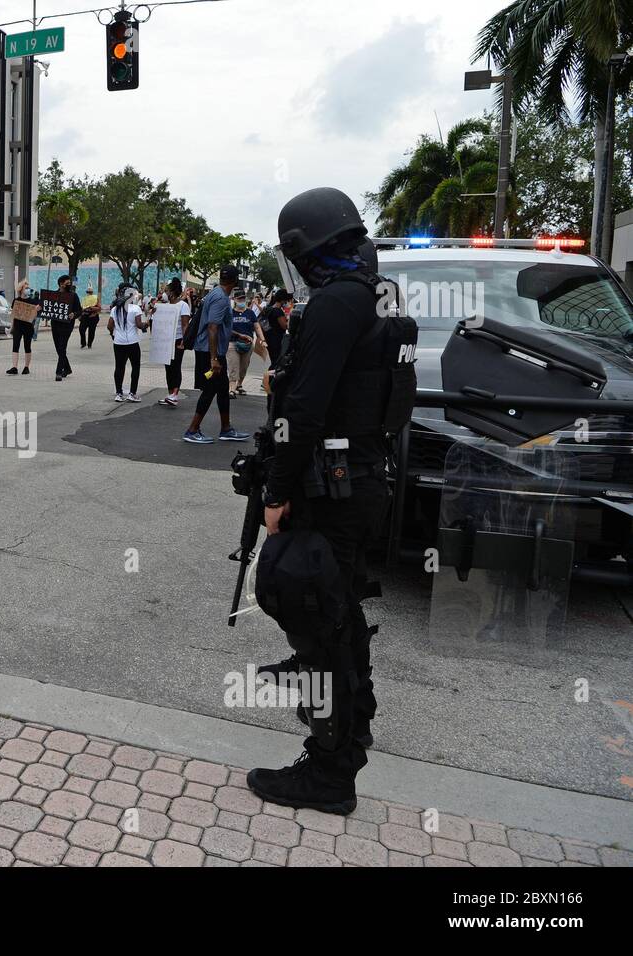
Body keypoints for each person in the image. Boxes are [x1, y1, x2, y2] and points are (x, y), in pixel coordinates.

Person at [246, 186, 416, 815]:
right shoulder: (378, 296)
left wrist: (277, 491)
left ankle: (330, 771)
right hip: (363, 478)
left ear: (307, 249)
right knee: (337, 613)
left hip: (331, 486)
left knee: (323, 620)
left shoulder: (332, 307)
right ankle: (337, 740)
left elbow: (305, 412)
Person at [182, 265, 249, 444]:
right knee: (210, 389)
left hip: (212, 350)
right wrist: (214, 359)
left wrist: (237, 334)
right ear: (235, 281)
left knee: (222, 389)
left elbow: (218, 324)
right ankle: (192, 430)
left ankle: (226, 428)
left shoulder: (215, 294)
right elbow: (212, 327)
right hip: (210, 352)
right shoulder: (221, 298)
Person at [155, 278, 191, 407]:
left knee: (175, 367)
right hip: (166, 340)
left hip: (177, 340)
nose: (165, 293)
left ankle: (175, 394)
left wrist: (183, 341)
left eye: (167, 291)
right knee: (168, 368)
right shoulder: (166, 305)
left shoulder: (183, 305)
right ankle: (170, 394)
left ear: (172, 292)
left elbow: (186, 325)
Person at [106, 286, 145, 401]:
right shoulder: (135, 308)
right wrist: (147, 323)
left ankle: (119, 393)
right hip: (132, 342)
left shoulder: (115, 309)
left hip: (118, 343)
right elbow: (139, 325)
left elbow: (109, 326)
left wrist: (113, 335)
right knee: (135, 367)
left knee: (119, 367)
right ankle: (132, 394)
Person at [227, 290, 263, 398]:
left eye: (243, 298)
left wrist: (263, 339)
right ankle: (231, 389)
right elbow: (227, 328)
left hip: (247, 344)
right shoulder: (230, 313)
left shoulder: (250, 313)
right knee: (233, 366)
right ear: (234, 300)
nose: (242, 301)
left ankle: (239, 385)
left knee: (244, 367)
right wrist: (239, 335)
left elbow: (257, 327)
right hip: (232, 343)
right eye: (239, 299)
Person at [46, 273, 82, 381]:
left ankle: (59, 372)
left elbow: (79, 310)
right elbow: (48, 307)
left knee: (62, 348)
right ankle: (67, 368)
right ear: (61, 284)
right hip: (55, 324)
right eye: (67, 283)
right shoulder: (53, 295)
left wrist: (73, 315)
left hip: (67, 325)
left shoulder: (73, 296)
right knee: (58, 348)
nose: (69, 285)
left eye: (70, 283)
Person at [7, 279, 37, 375]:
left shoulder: (32, 301)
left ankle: (26, 367)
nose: (28, 289)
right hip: (18, 327)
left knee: (27, 346)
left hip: (28, 327)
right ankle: (14, 367)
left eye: (28, 288)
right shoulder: (16, 301)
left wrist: (36, 310)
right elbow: (14, 314)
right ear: (21, 289)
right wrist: (11, 327)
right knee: (15, 346)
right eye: (26, 288)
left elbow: (34, 316)